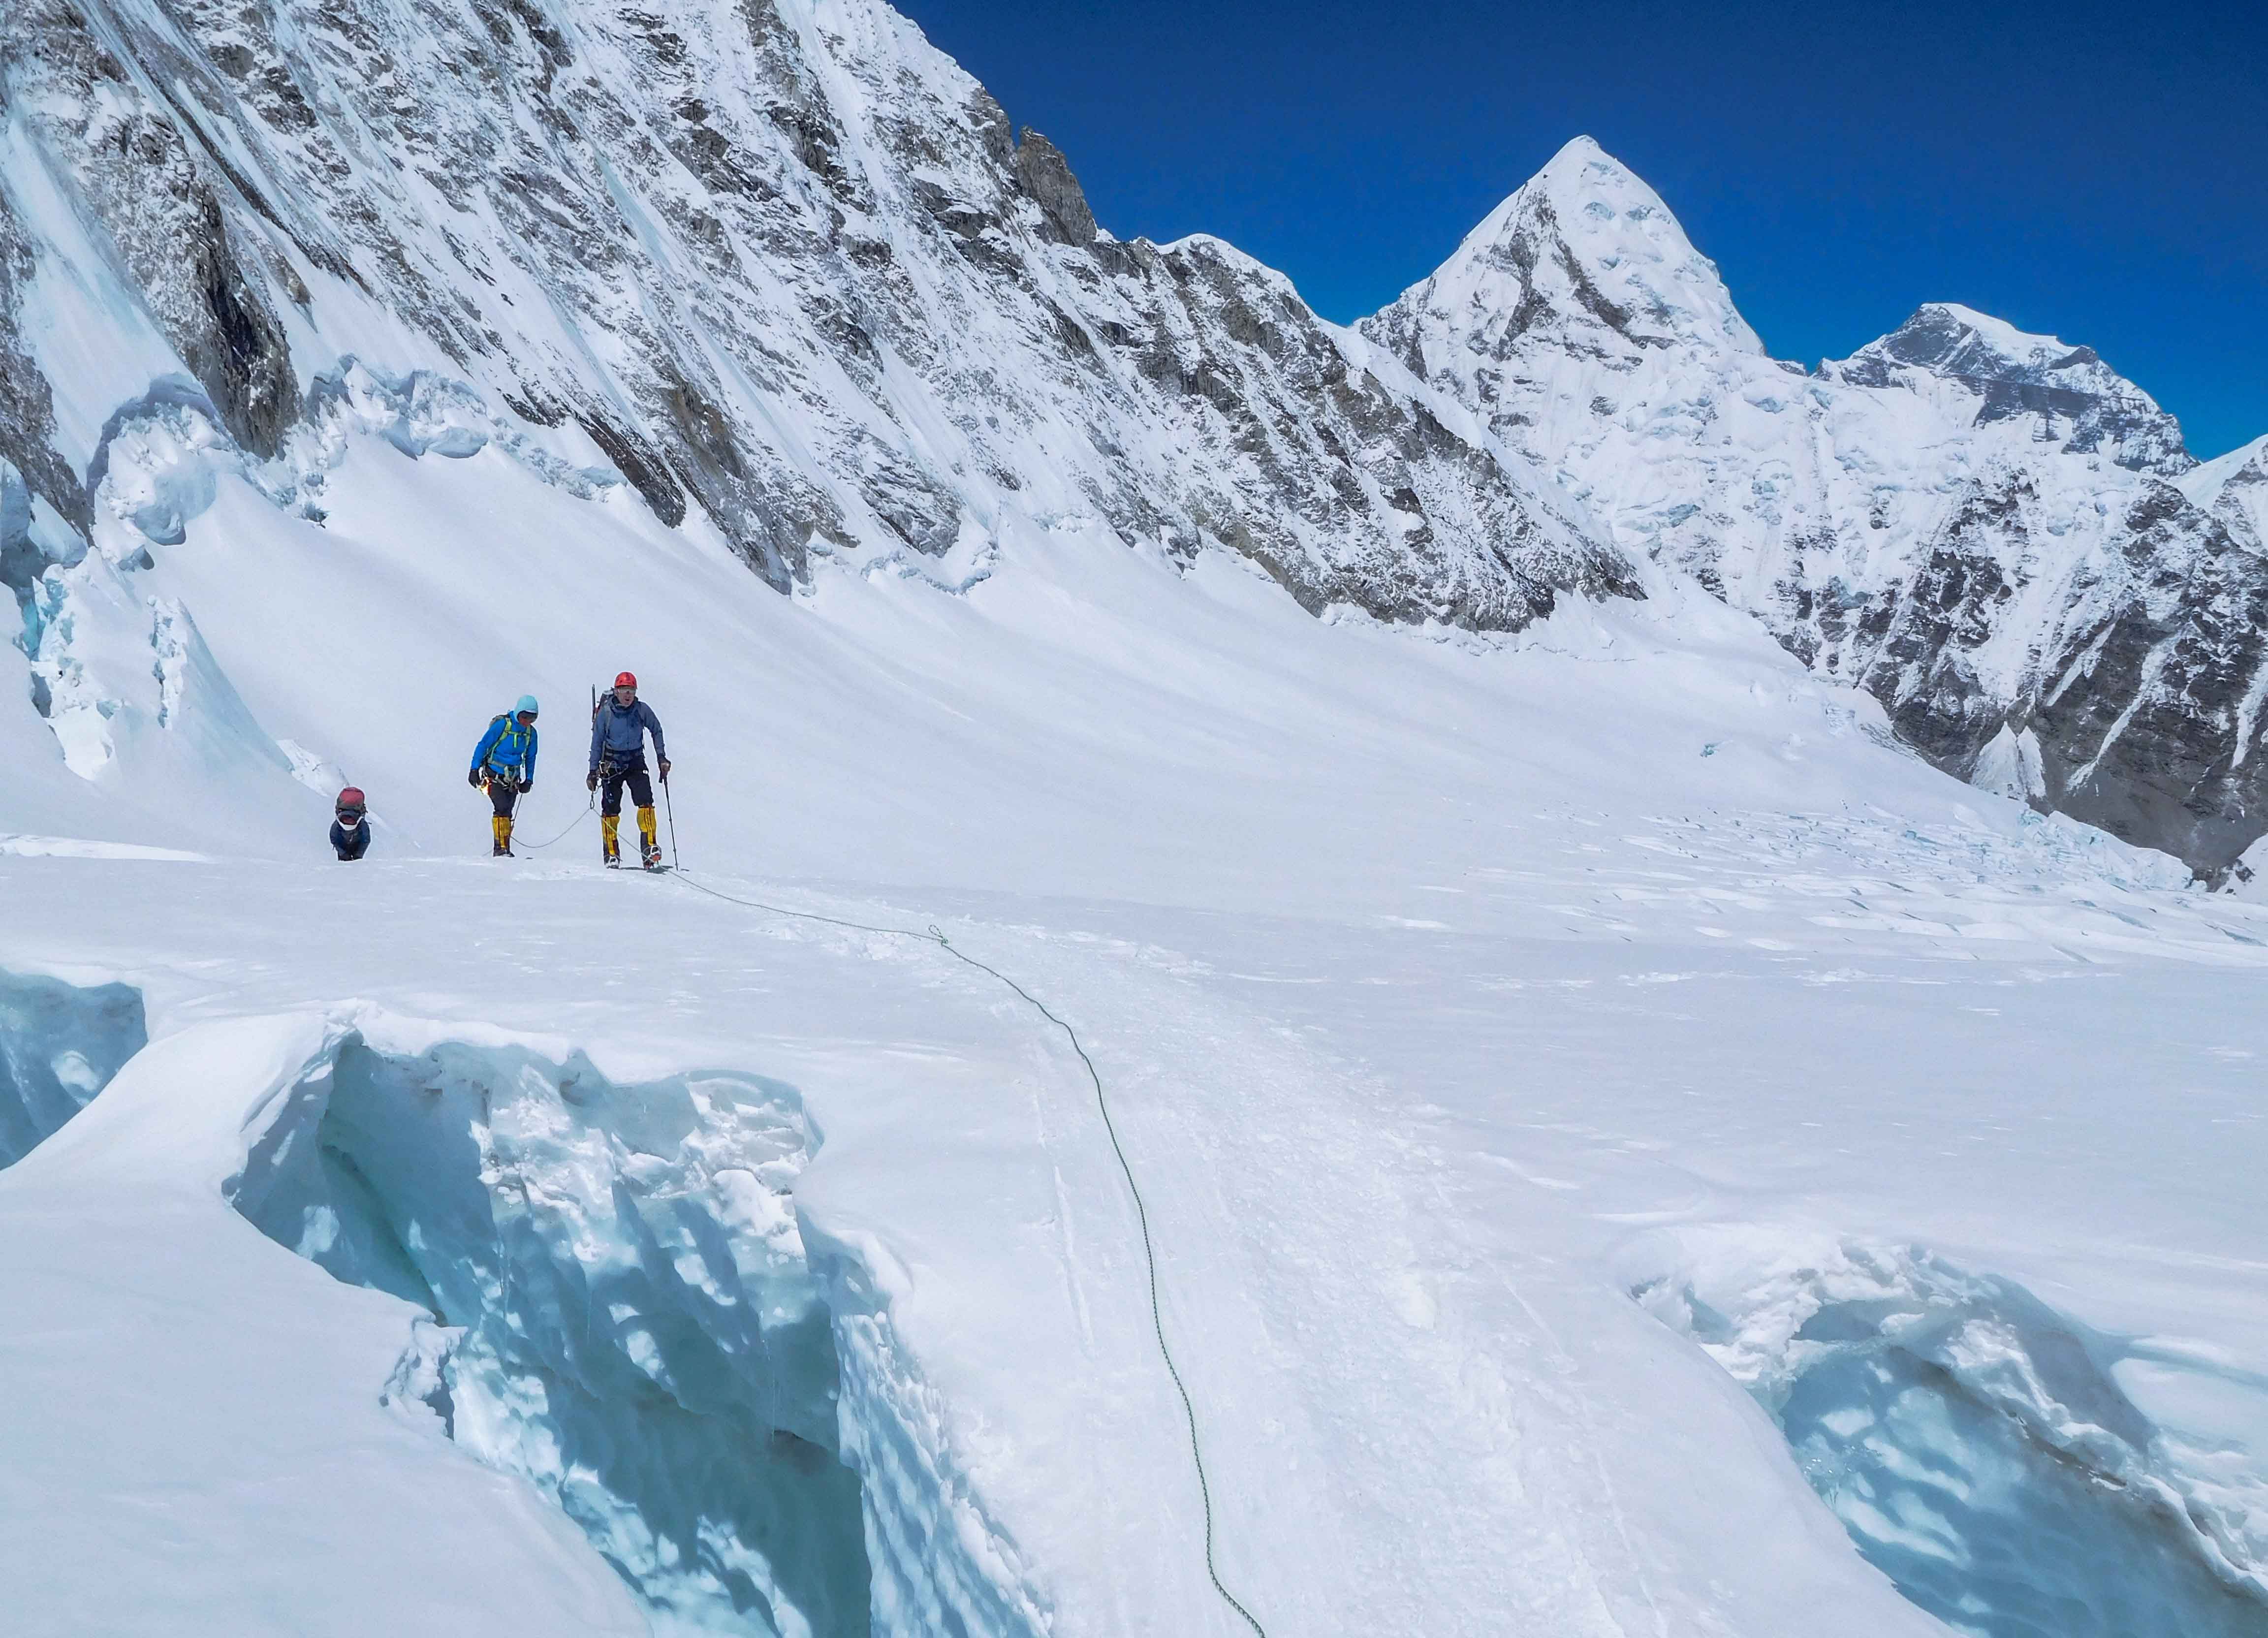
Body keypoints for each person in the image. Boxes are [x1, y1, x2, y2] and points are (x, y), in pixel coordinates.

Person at [588, 671, 669, 868]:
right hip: (611, 764)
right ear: (616, 691)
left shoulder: (641, 710)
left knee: (646, 803)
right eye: (625, 690)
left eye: (631, 690)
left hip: (635, 761)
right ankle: (612, 854)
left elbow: (656, 729)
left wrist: (661, 757)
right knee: (611, 810)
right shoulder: (606, 714)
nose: (628, 695)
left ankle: (650, 847)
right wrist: (593, 771)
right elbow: (597, 742)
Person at [469, 695, 540, 856]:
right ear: (518, 713)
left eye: (532, 718)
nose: (527, 721)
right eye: (524, 717)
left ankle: (504, 848)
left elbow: (531, 757)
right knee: (501, 807)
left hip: (513, 779)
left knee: (508, 810)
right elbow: (484, 745)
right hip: (494, 776)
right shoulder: (503, 726)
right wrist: (474, 769)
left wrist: (529, 779)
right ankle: (500, 849)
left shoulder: (531, 734)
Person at [331, 788, 370, 861]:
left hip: (343, 846)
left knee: (344, 865)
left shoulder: (337, 825)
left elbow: (334, 839)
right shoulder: (362, 824)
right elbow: (366, 840)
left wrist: (343, 854)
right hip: (356, 845)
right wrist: (359, 855)